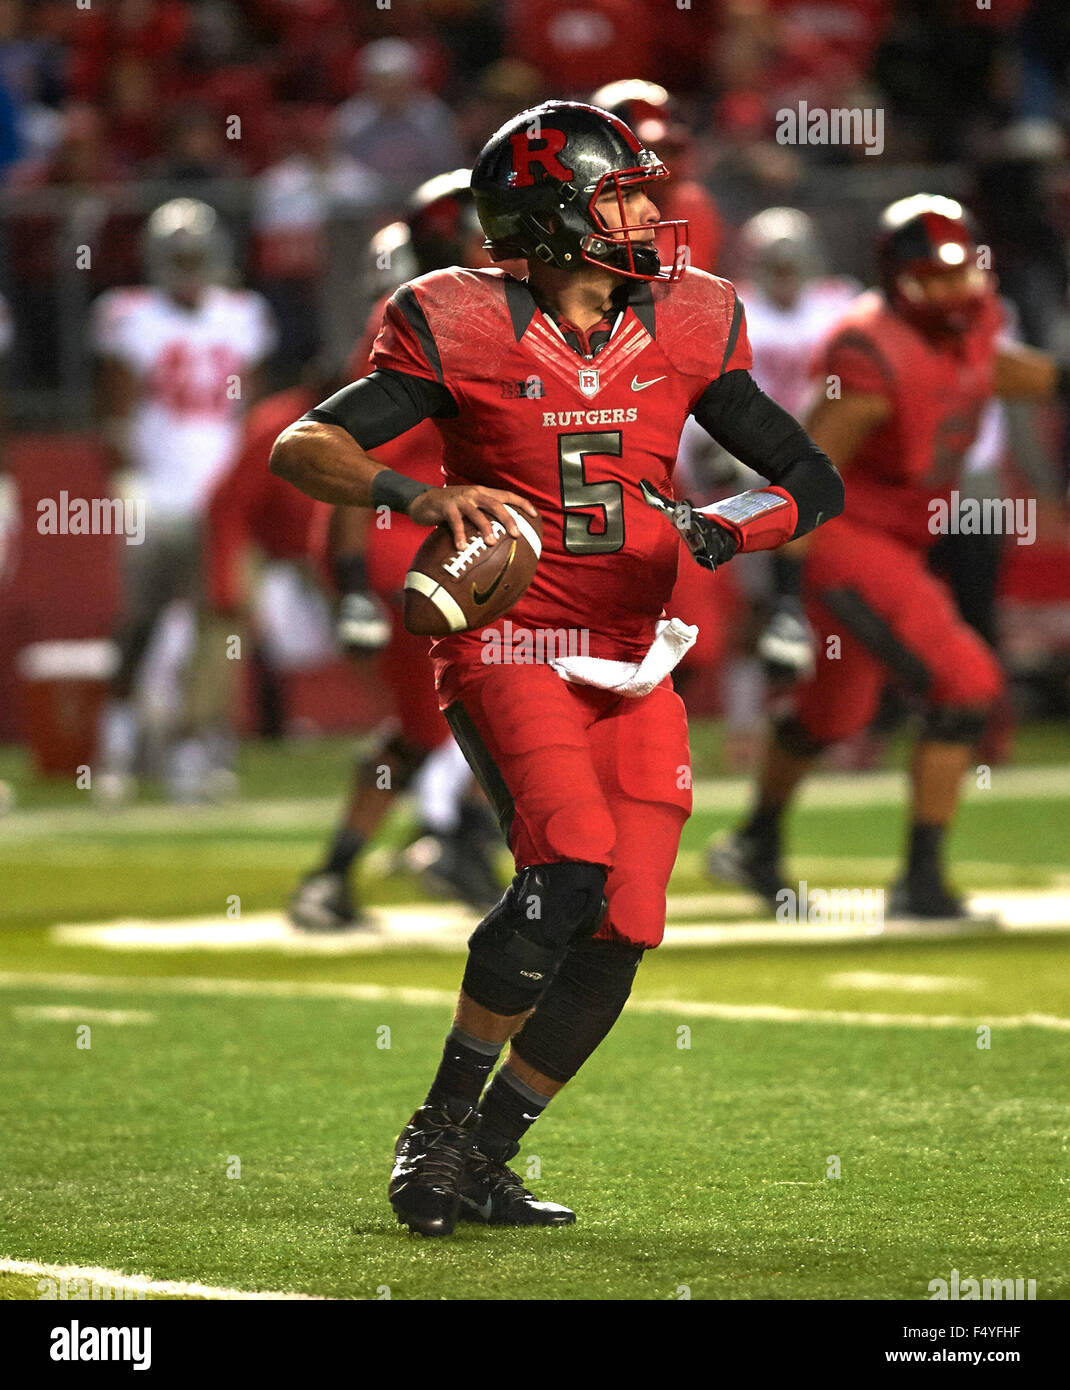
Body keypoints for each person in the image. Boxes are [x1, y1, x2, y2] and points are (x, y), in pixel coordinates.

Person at [270, 101, 842, 1236]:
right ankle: (434, 1126)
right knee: (568, 863)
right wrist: (416, 493)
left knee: (625, 921)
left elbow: (807, 476)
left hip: (633, 658)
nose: (649, 210)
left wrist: (729, 525)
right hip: (510, 640)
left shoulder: (686, 318)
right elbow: (307, 445)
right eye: (620, 193)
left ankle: (484, 1155)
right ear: (547, 219)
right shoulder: (457, 318)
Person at [710, 194, 1070, 919]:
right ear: (900, 280)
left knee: (835, 713)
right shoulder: (867, 353)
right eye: (935, 279)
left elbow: (987, 369)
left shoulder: (962, 332)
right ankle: (923, 880)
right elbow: (799, 476)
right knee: (966, 685)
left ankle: (754, 840)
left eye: (962, 274)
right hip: (845, 540)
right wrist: (781, 599)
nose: (954, 291)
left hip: (898, 540)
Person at [289, 170, 512, 930]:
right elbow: (346, 451)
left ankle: (378, 862)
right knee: (510, 693)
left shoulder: (487, 308)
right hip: (402, 535)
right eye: (490, 229)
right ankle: (451, 845)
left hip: (449, 532)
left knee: (432, 727)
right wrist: (351, 580)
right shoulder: (418, 314)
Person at [91, 198, 276, 802]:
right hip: (157, 493)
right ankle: (116, 744)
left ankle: (196, 749)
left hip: (219, 501)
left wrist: (250, 492)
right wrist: (129, 484)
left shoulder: (242, 314)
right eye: (178, 256)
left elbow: (254, 415)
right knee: (140, 625)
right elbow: (114, 418)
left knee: (218, 627)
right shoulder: (129, 316)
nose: (189, 266)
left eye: (196, 255)